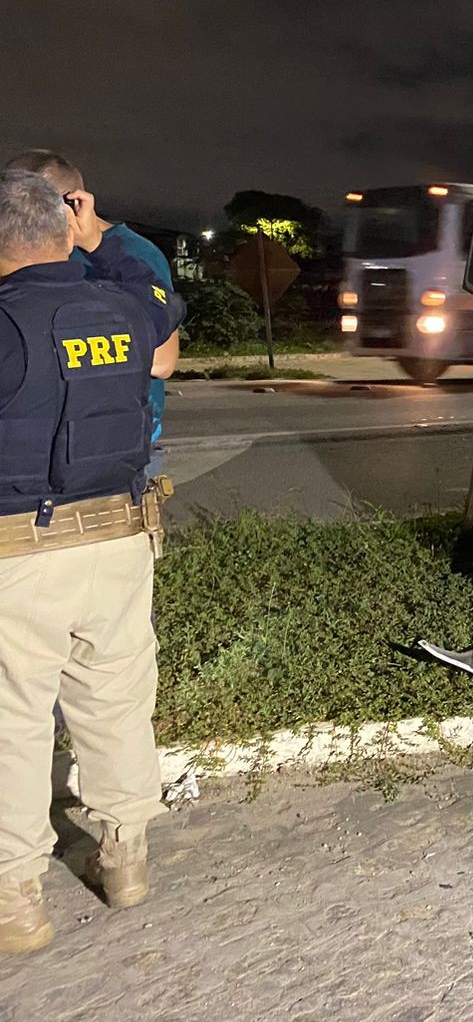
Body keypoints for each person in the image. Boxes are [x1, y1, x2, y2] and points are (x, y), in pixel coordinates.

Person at [0, 171, 186, 955]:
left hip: (19, 553)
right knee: (113, 702)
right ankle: (126, 859)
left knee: (11, 721)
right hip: (118, 543)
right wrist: (100, 239)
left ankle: (16, 899)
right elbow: (163, 340)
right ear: (65, 224)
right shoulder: (122, 307)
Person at [3, 150, 178, 473]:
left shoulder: (135, 254)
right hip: (39, 444)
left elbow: (163, 361)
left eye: (31, 204)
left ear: (72, 205)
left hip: (116, 445)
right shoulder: (21, 246)